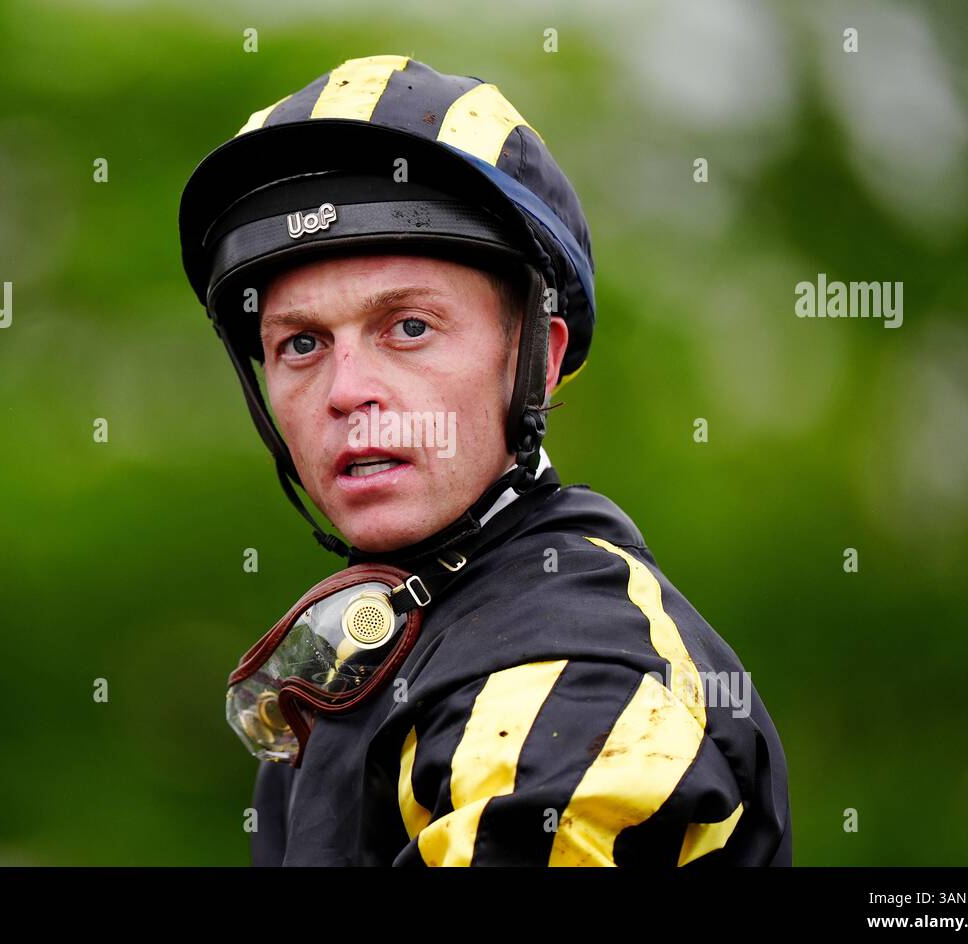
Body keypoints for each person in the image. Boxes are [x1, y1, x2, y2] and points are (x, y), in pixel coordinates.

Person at [179, 54, 792, 866]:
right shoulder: (361, 661)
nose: (346, 391)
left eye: (408, 327)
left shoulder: (566, 681)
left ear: (536, 362)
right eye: (300, 343)